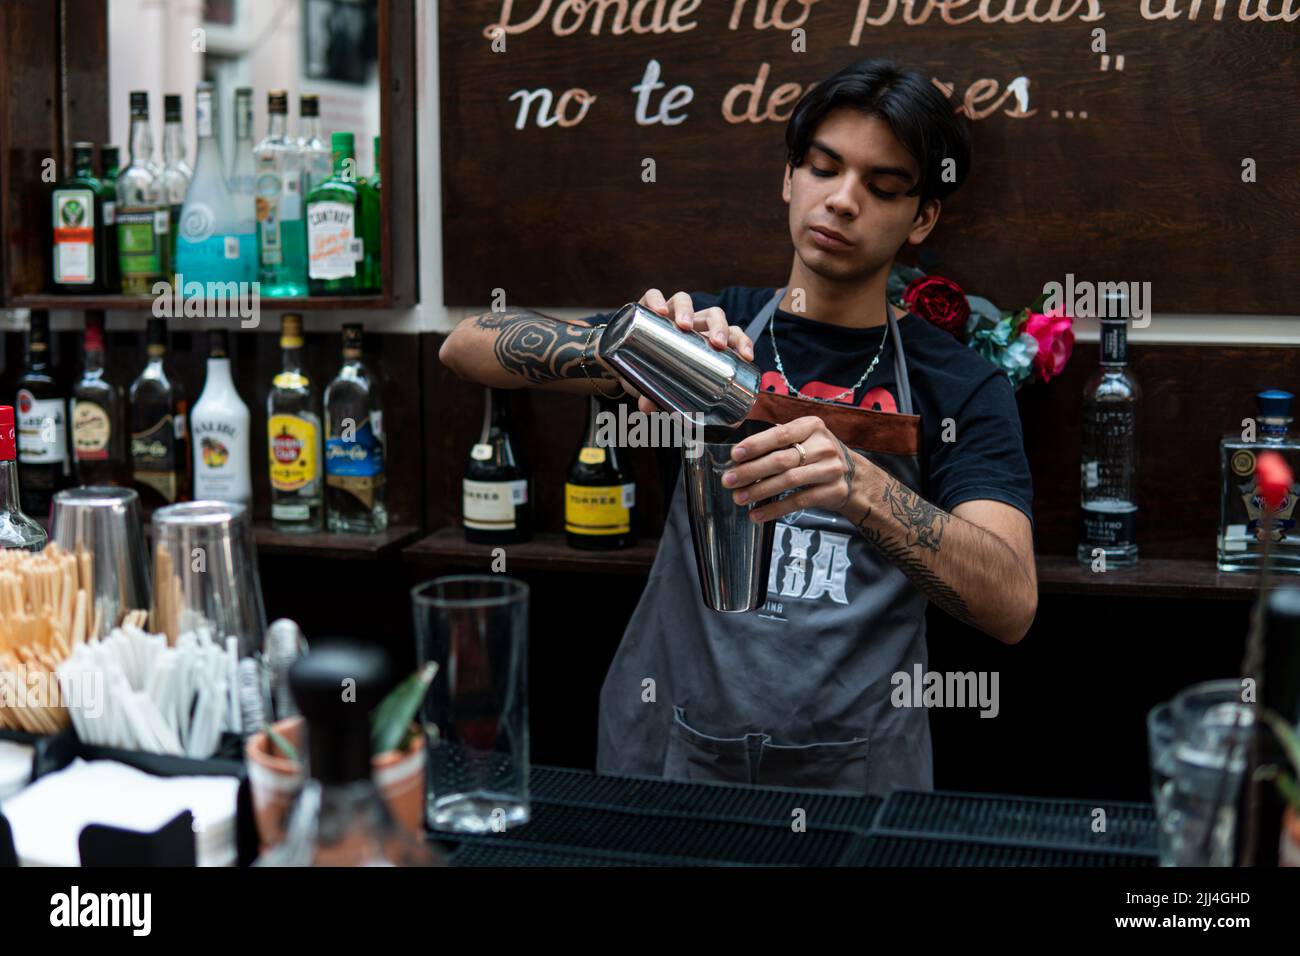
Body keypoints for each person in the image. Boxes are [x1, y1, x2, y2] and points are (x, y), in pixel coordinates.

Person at [439, 58, 1037, 795]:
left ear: (922, 217)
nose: (843, 201)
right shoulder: (711, 334)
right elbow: (465, 344)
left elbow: (1010, 604)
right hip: (672, 754)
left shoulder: (959, 383)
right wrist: (634, 349)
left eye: (882, 187)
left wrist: (861, 488)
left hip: (858, 771)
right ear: (790, 179)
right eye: (823, 168)